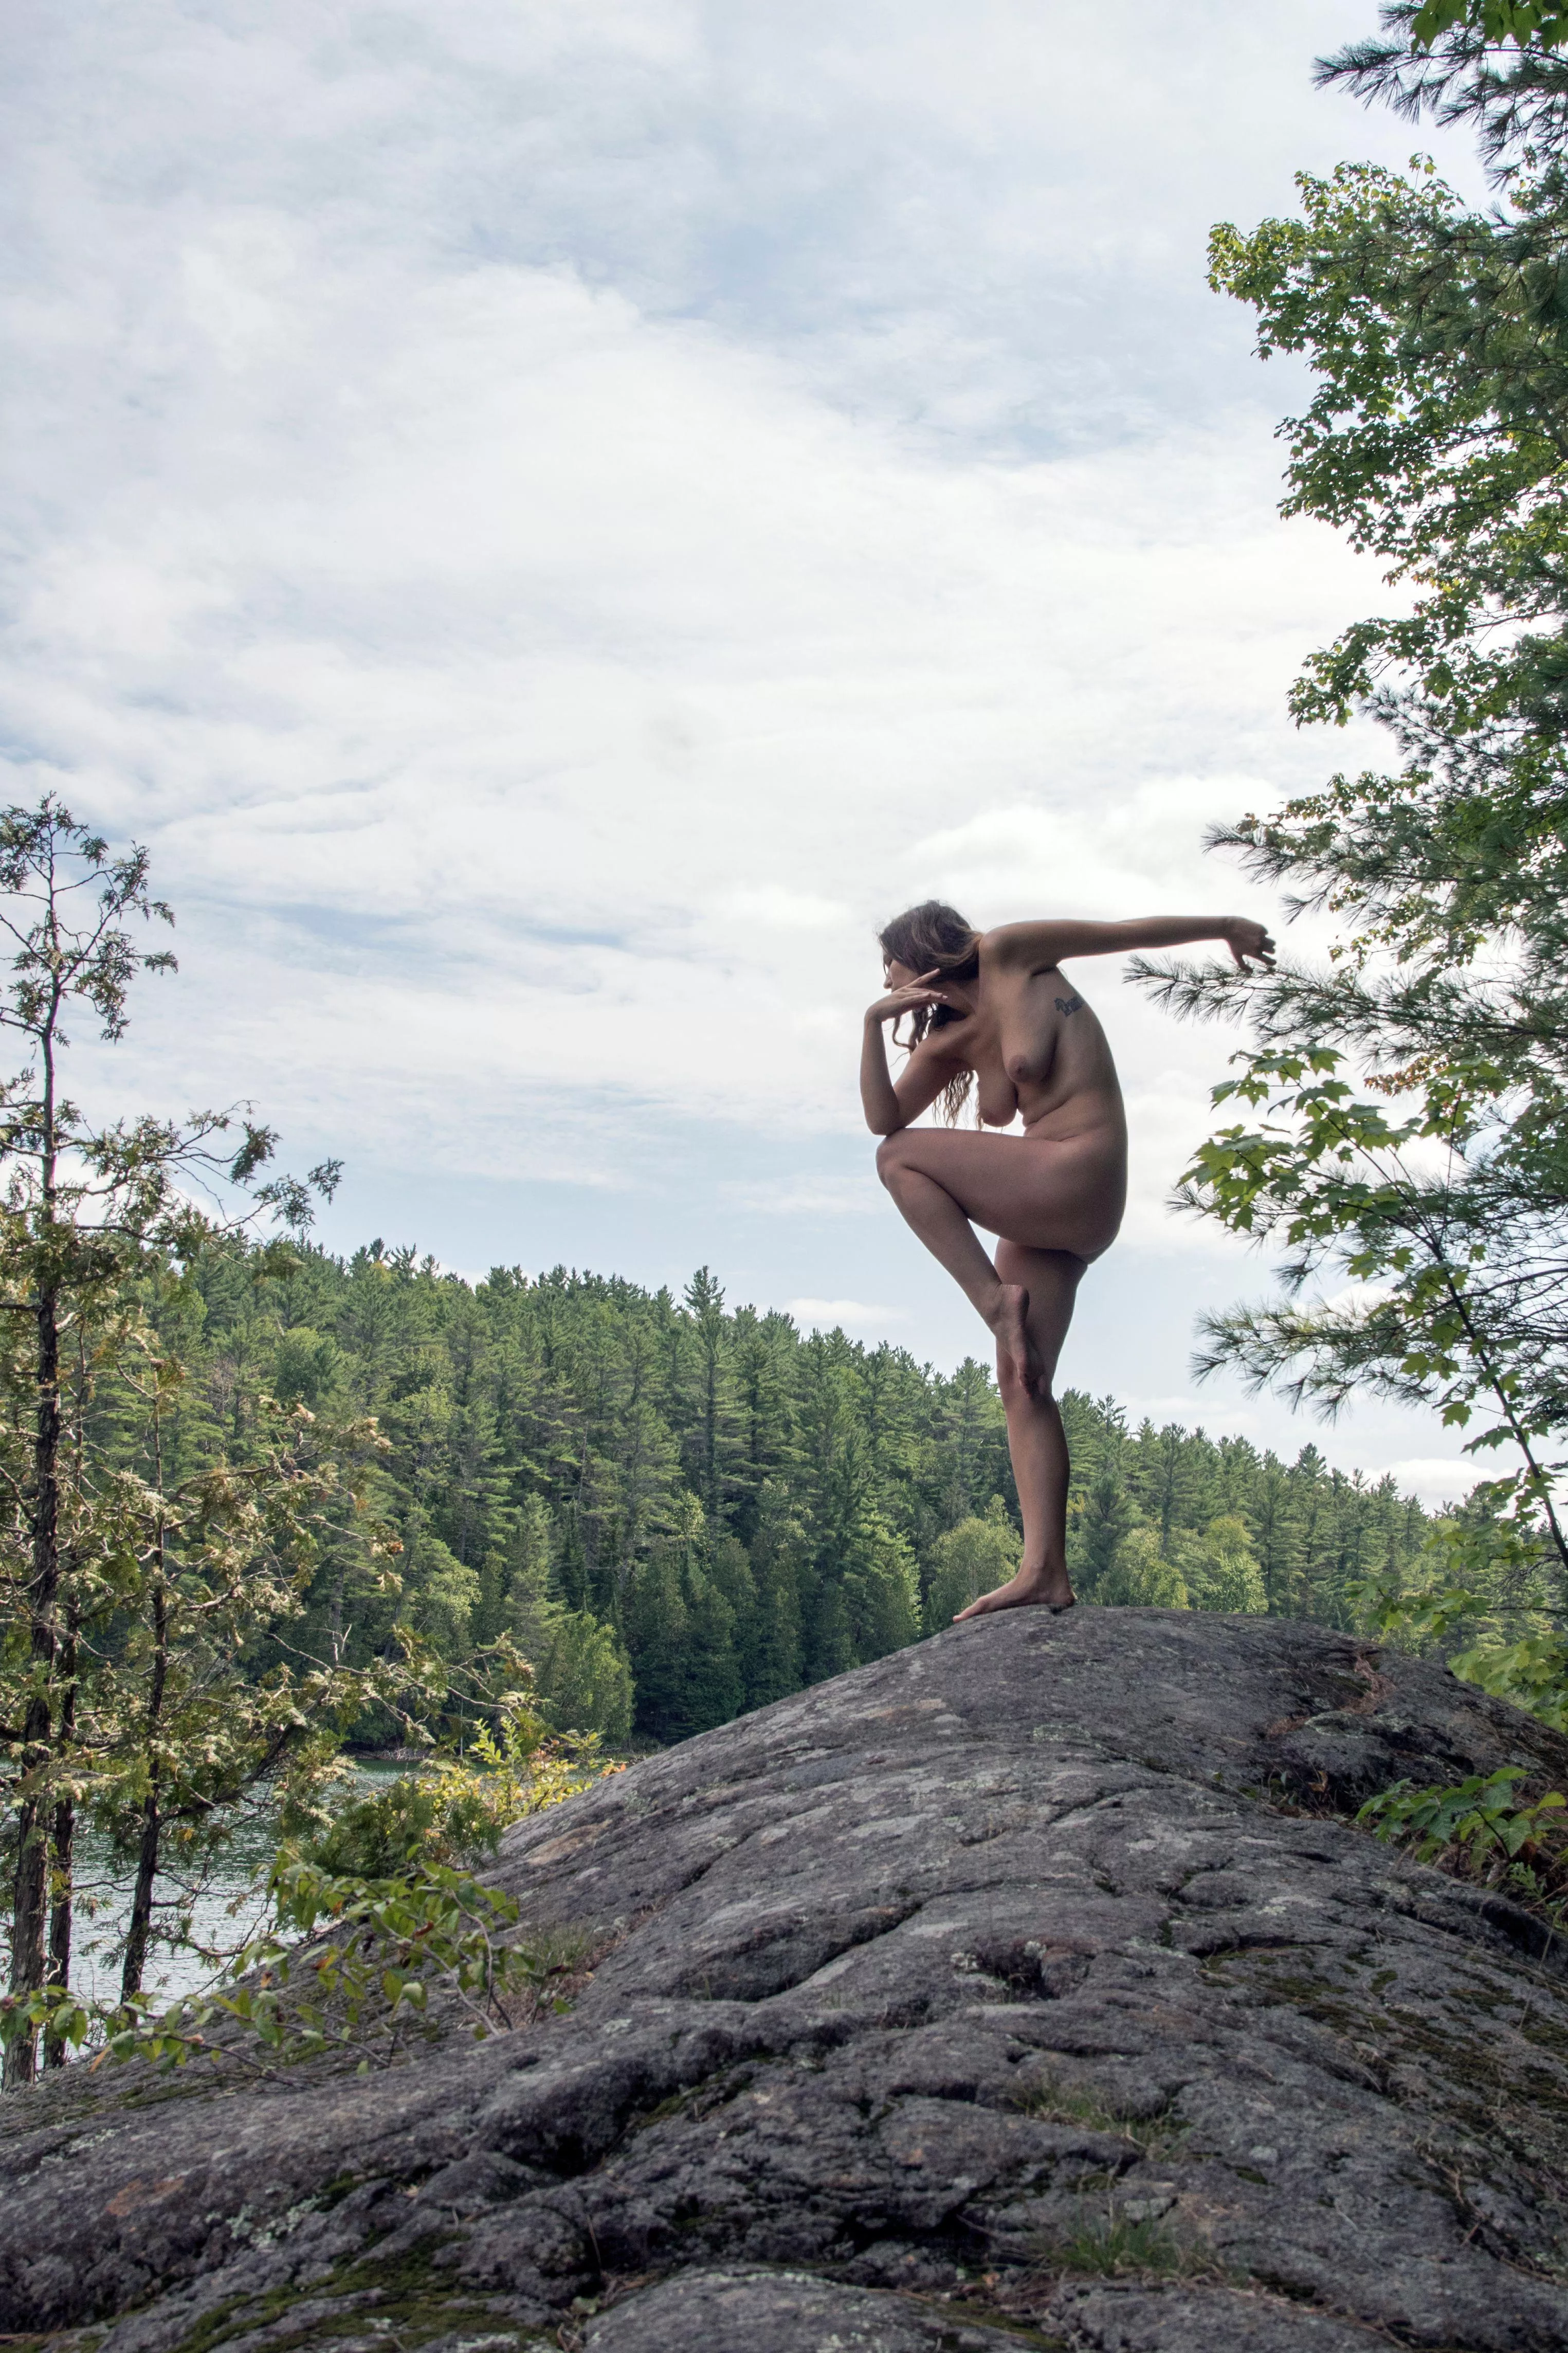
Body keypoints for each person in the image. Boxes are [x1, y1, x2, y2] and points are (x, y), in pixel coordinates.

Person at [862, 900, 1275, 1618]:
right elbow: (880, 1115)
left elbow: (1120, 932)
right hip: (1046, 1212)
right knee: (1024, 1381)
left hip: (1078, 1170)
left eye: (886, 963)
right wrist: (871, 1024)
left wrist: (1223, 929)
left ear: (918, 949)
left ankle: (993, 1303)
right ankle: (1043, 1570)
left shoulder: (1013, 952)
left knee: (900, 1161)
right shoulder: (948, 1039)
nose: (885, 977)